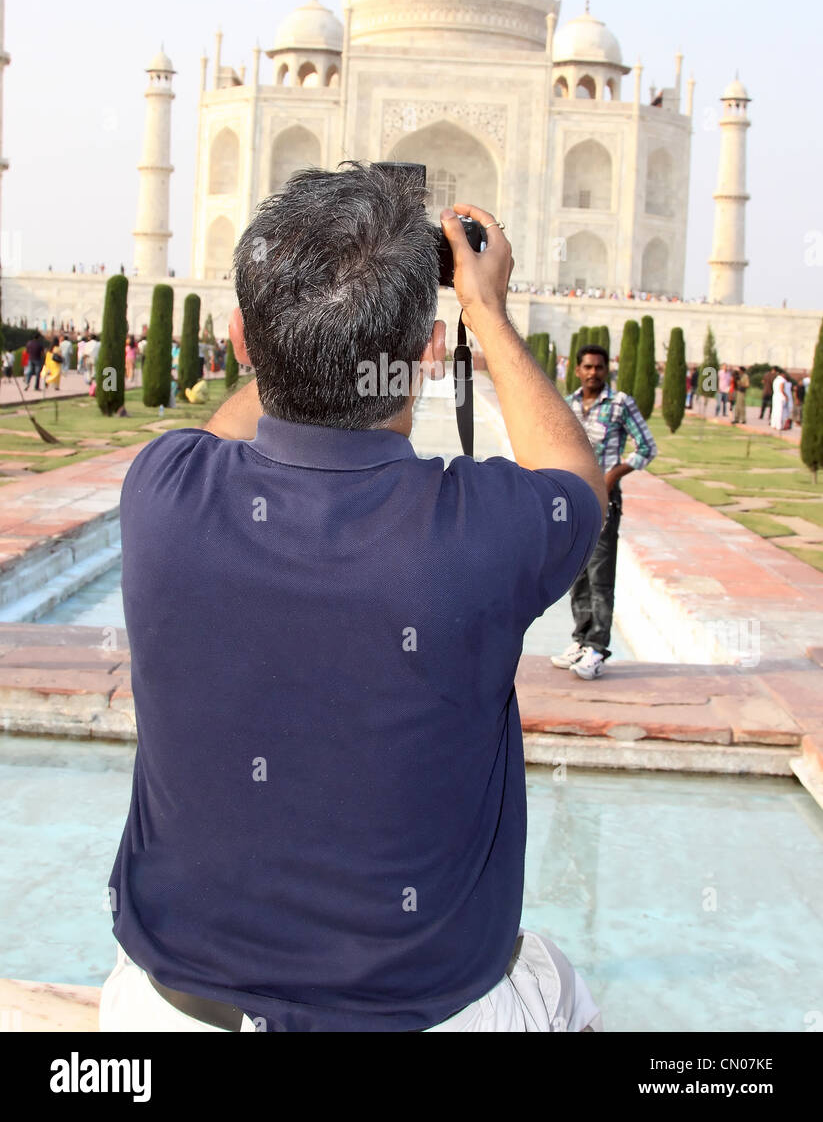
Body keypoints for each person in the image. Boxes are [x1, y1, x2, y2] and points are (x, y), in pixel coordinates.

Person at [99, 164, 608, 1034]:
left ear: (240, 341)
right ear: (426, 356)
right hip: (424, 1012)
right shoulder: (478, 533)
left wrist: (304, 336)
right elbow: (574, 479)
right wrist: (485, 312)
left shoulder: (163, 492)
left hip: (170, 1008)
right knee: (558, 985)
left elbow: (233, 423)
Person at [551, 343, 657, 680]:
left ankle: (597, 646)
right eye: (587, 367)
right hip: (575, 498)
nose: (593, 373)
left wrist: (612, 475)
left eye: (599, 367)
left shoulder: (620, 404)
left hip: (605, 500)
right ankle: (581, 639)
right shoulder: (569, 404)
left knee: (600, 574)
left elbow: (647, 447)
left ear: (606, 369)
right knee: (576, 572)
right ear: (578, 370)